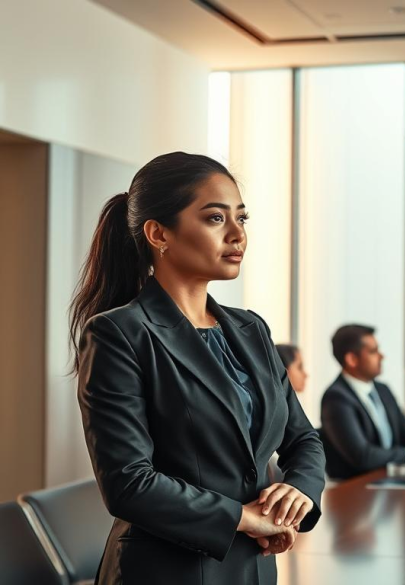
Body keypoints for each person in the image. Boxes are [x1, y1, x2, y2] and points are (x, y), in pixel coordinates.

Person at [71, 152, 326, 585]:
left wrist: (298, 490)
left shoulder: (251, 328)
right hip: (166, 571)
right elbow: (128, 483)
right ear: (158, 233)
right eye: (214, 219)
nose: (237, 235)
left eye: (242, 219)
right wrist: (242, 518)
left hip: (255, 565)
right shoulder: (119, 334)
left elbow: (302, 437)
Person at [320, 324, 405, 479]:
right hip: (355, 491)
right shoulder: (336, 399)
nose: (382, 356)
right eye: (373, 352)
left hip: (390, 481)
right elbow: (363, 456)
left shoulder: (382, 390)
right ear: (352, 359)